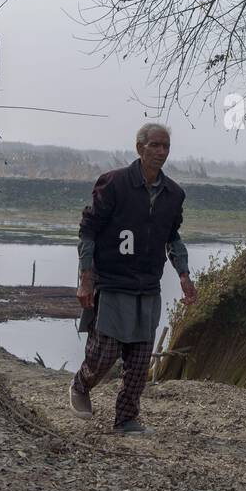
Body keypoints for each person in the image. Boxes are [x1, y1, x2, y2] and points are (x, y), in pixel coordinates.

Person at [70, 123, 197, 434]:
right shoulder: (114, 184)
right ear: (140, 148)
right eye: (154, 145)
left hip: (147, 287)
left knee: (139, 361)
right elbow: (88, 231)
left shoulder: (173, 194)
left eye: (165, 146)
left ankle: (126, 418)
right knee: (106, 353)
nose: (161, 152)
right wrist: (85, 278)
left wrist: (184, 275)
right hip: (112, 282)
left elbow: (172, 238)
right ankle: (80, 385)